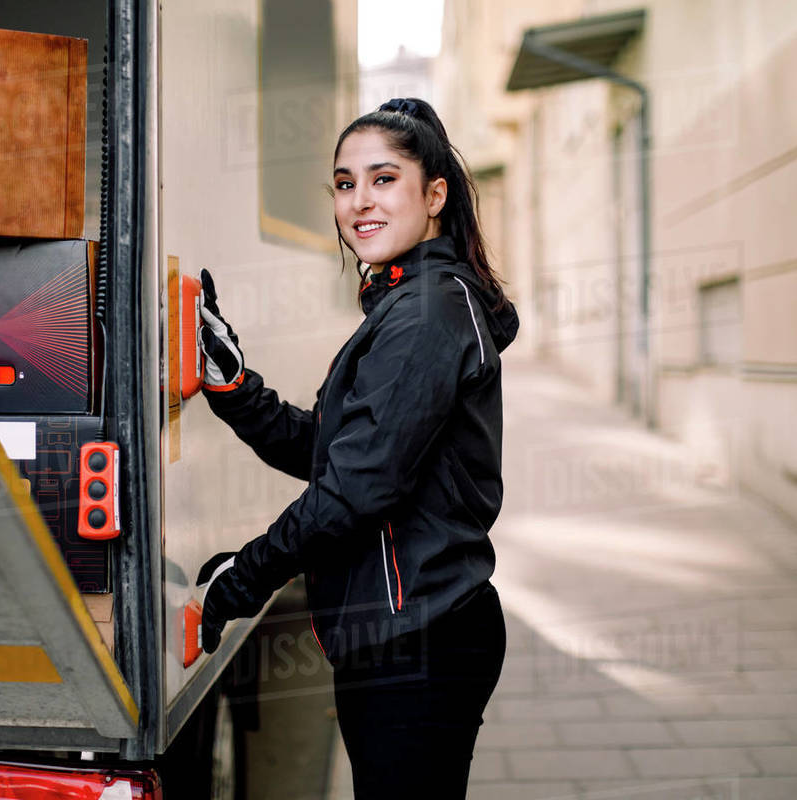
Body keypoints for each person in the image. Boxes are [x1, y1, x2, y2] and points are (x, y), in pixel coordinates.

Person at [195, 97, 519, 799]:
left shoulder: (427, 313)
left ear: (435, 195)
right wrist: (236, 390)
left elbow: (357, 487)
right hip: (408, 631)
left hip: (419, 640)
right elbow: (336, 453)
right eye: (345, 183)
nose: (359, 201)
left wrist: (246, 575)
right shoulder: (410, 301)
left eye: (384, 179)